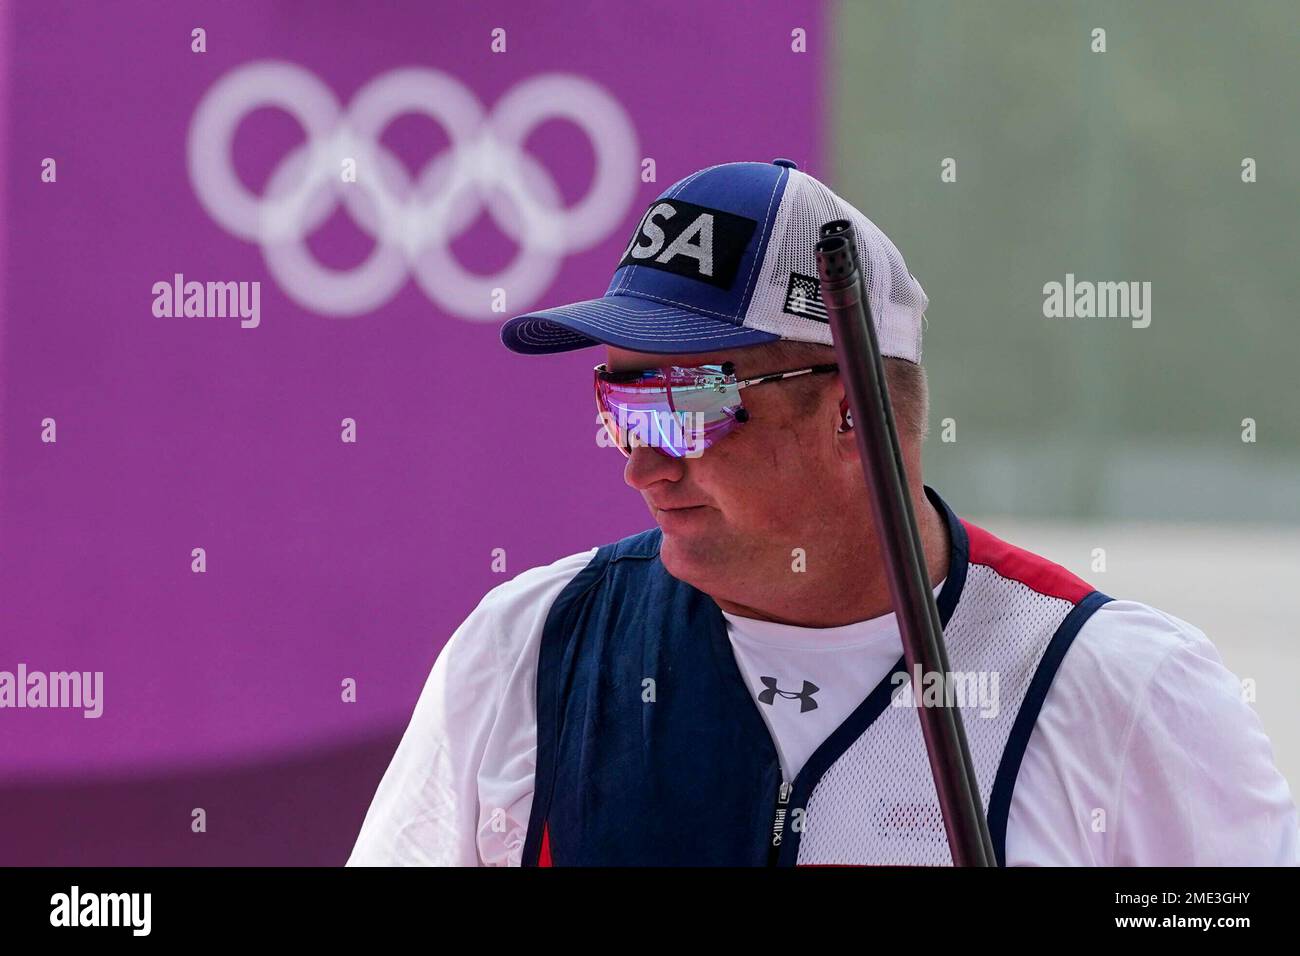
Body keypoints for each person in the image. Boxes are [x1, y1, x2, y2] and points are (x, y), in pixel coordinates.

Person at [348, 160, 1297, 866]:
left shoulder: (1122, 690)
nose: (640, 462)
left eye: (681, 406)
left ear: (853, 412)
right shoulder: (528, 646)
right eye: (617, 404)